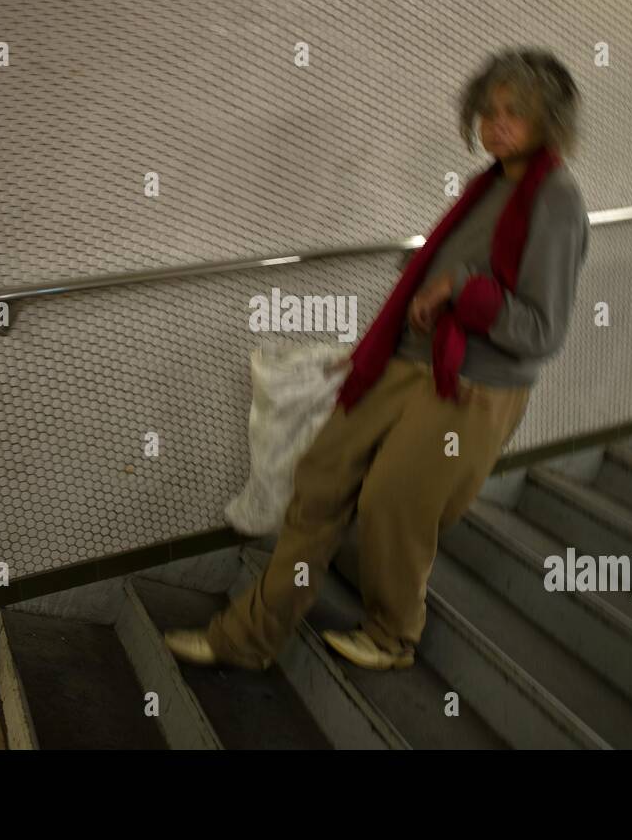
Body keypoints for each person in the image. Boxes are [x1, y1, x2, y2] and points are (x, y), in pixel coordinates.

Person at [166, 47, 590, 671]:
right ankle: (249, 637)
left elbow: (542, 332)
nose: (496, 124)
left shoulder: (554, 198)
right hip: (406, 362)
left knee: (394, 503)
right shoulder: (491, 184)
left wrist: (461, 288)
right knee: (320, 479)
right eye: (490, 111)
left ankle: (393, 635)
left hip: (471, 386)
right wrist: (402, 319)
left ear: (549, 121)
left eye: (516, 113)